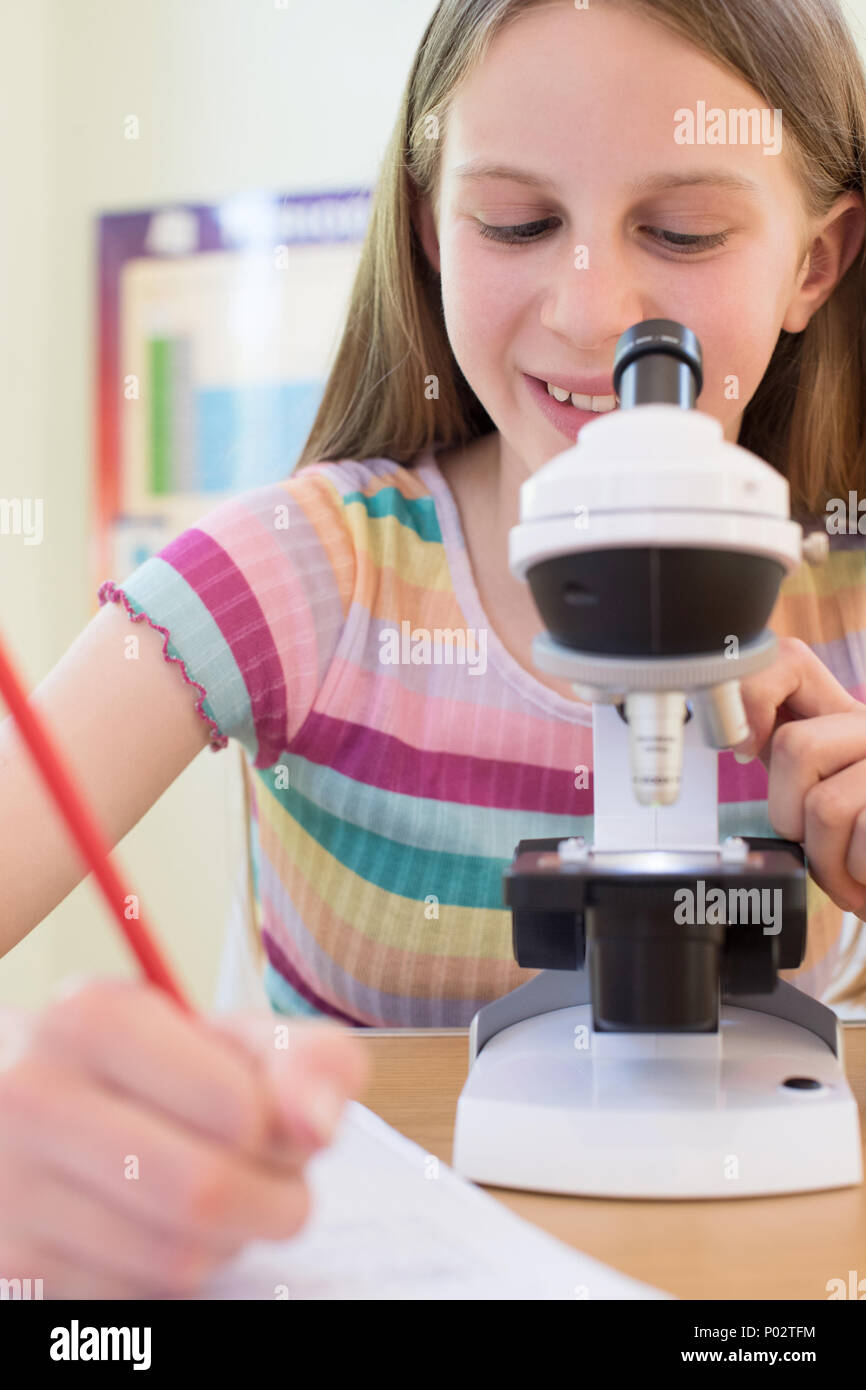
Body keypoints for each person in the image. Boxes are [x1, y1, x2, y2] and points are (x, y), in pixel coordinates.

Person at [2, 0, 865, 1297]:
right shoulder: (304, 572)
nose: (590, 311)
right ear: (425, 224)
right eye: (516, 221)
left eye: (679, 230)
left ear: (814, 260)